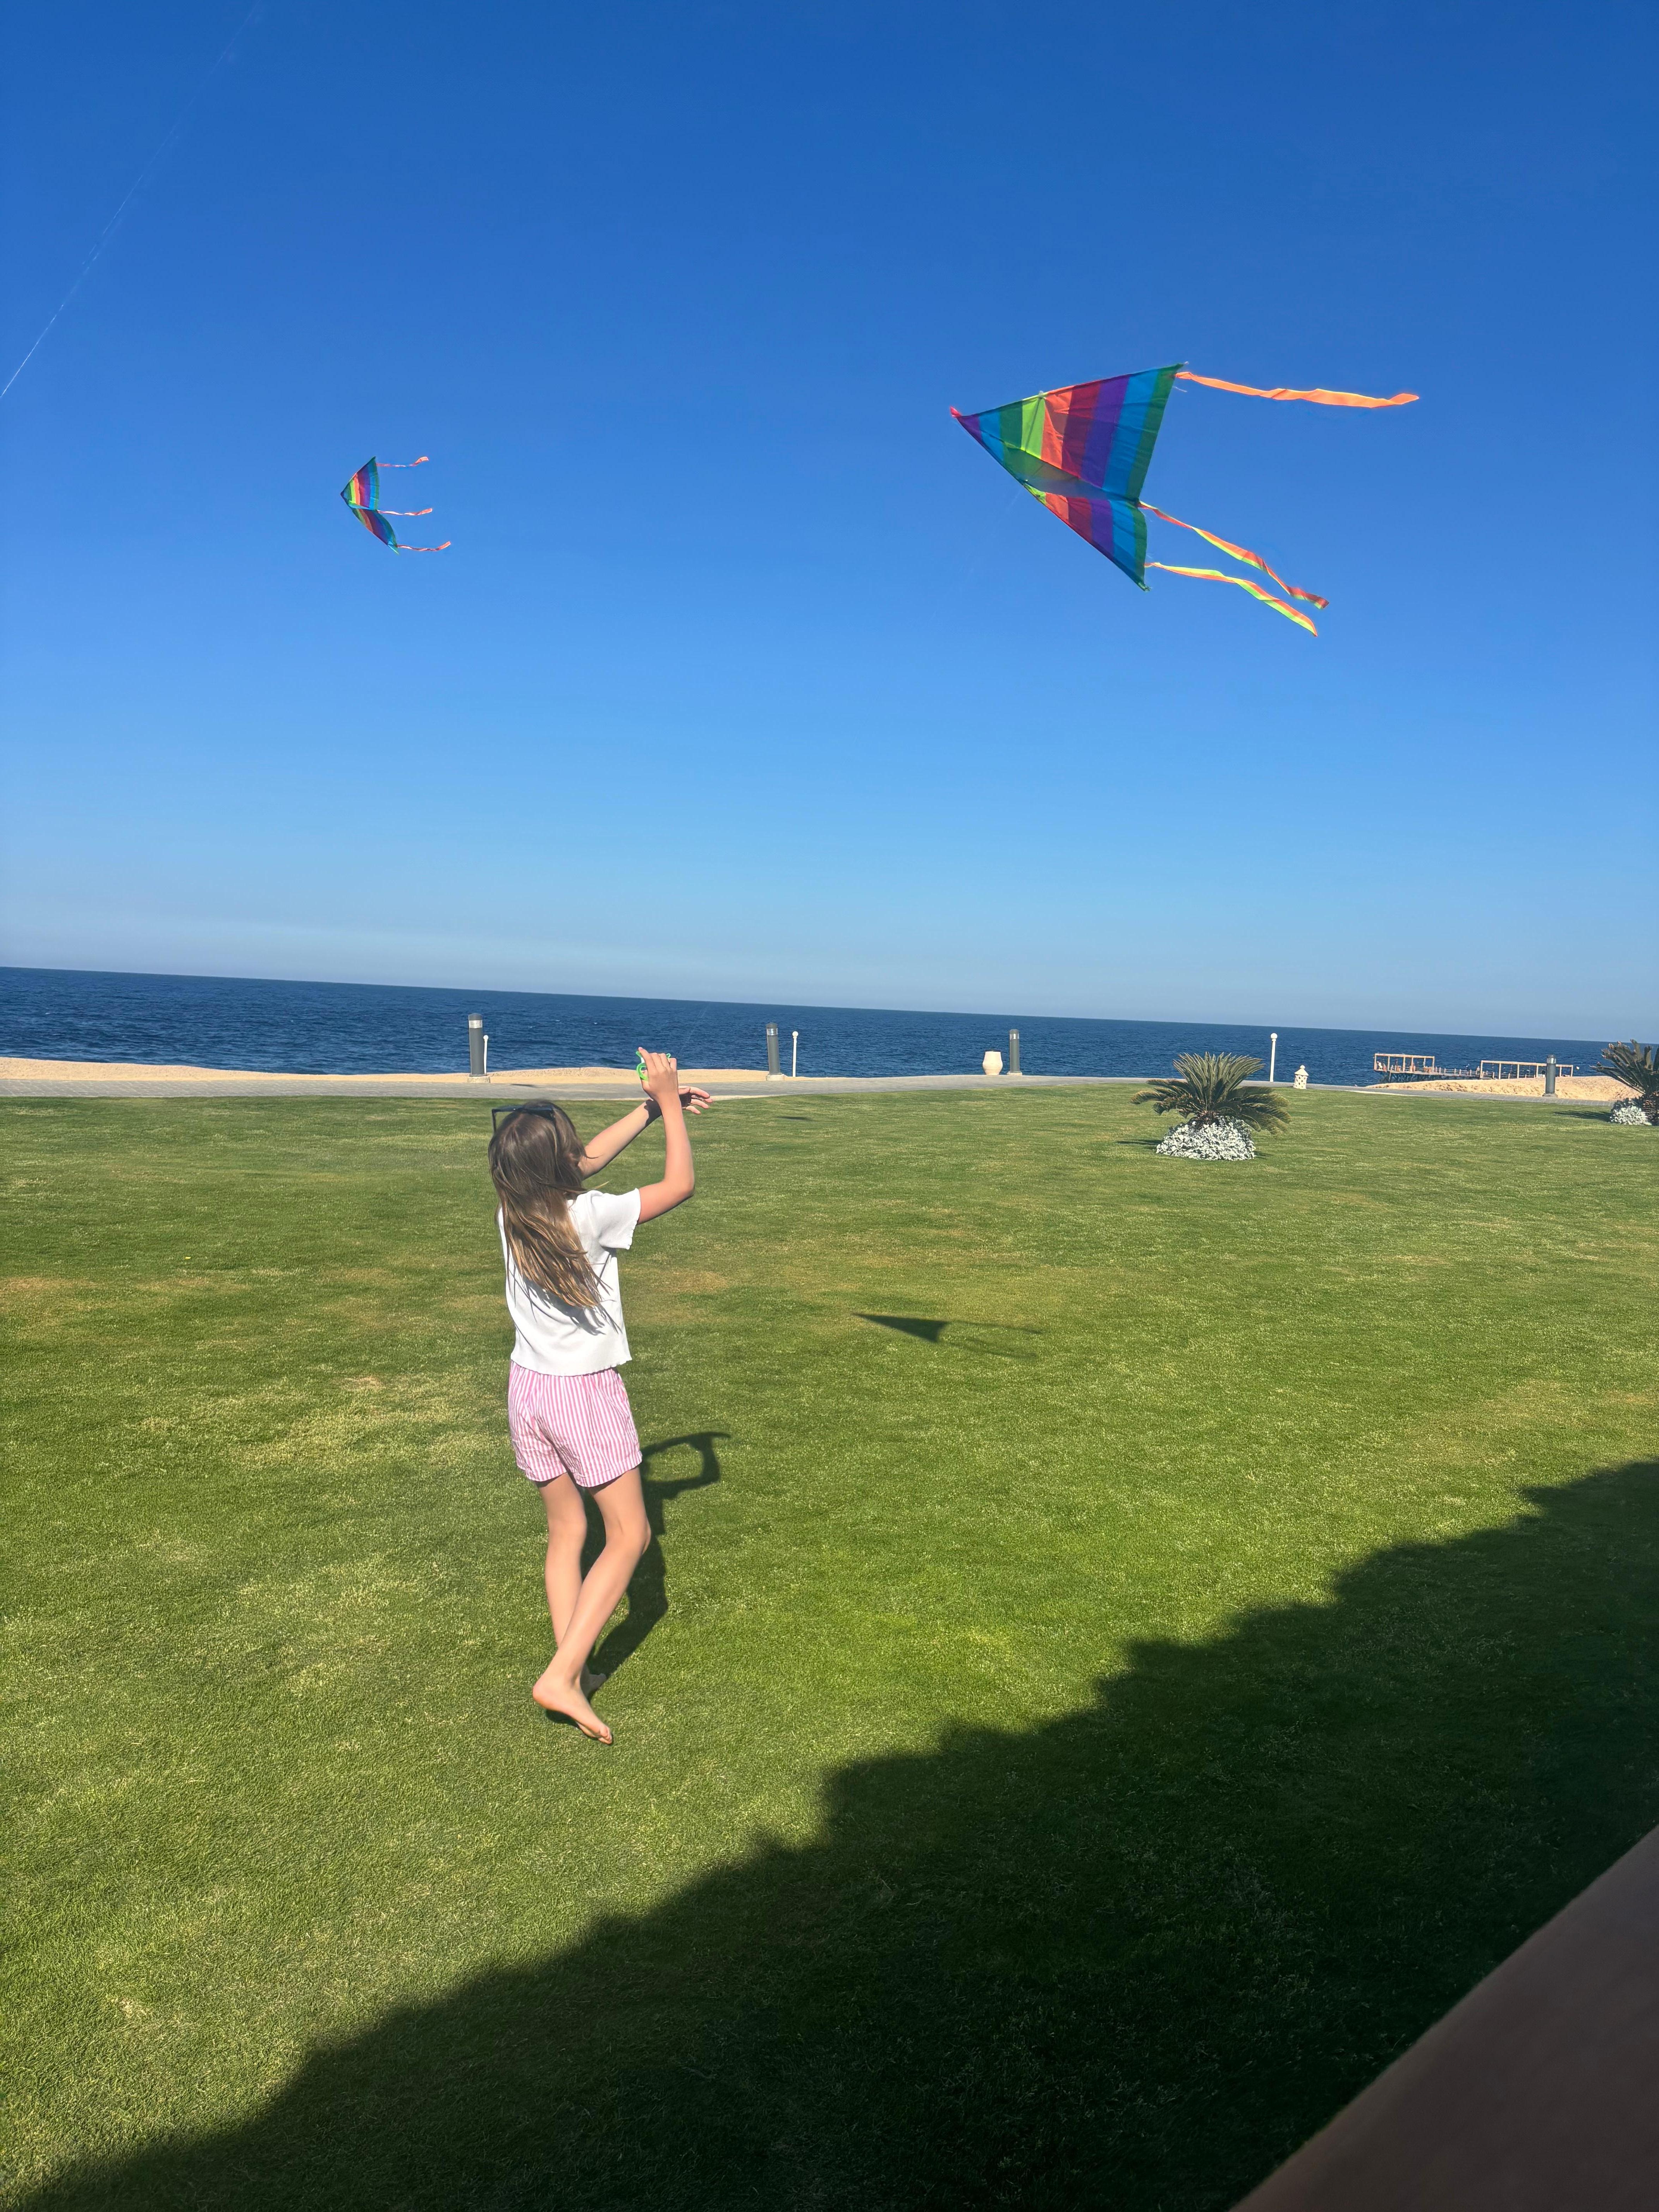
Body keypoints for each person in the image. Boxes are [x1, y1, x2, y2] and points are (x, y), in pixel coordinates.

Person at [488, 1053, 706, 1743]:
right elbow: (681, 1185)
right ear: (561, 1164)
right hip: (583, 1393)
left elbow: (582, 1163)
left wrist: (647, 1108)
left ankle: (573, 1671)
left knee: (567, 1533)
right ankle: (561, 1677)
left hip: (528, 1390)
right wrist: (667, 1103)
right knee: (630, 1536)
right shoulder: (591, 1216)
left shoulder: (513, 1209)